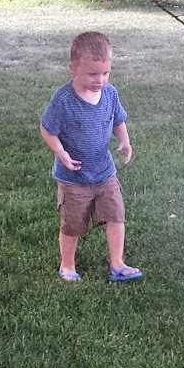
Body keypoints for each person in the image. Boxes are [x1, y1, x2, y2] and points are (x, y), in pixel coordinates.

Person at [39, 30, 144, 283]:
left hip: (105, 172)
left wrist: (125, 140)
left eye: (105, 73)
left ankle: (117, 264)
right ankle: (67, 265)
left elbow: (118, 119)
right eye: (92, 74)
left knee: (116, 215)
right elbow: (47, 129)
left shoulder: (110, 94)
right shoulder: (64, 100)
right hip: (73, 177)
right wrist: (61, 153)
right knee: (72, 225)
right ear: (73, 68)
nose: (100, 80)